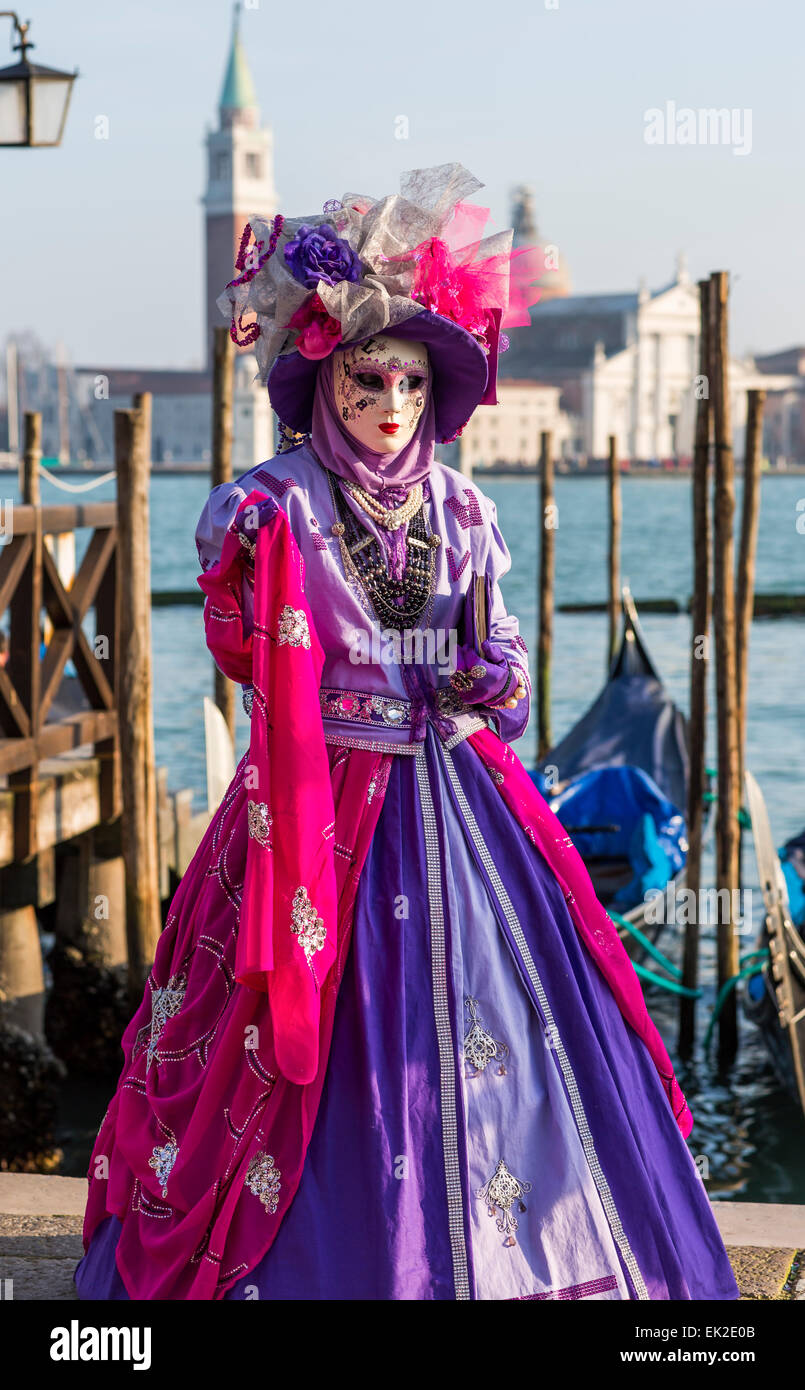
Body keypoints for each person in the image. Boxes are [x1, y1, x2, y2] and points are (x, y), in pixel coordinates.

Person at [74, 164, 738, 1302]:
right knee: (325, 1057)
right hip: (315, 811)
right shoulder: (270, 503)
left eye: (409, 381)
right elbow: (241, 654)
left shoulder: (465, 510)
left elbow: (512, 671)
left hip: (461, 799)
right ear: (324, 379)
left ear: (436, 391)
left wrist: (490, 676)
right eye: (365, 377)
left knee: (519, 1042)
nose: (388, 402)